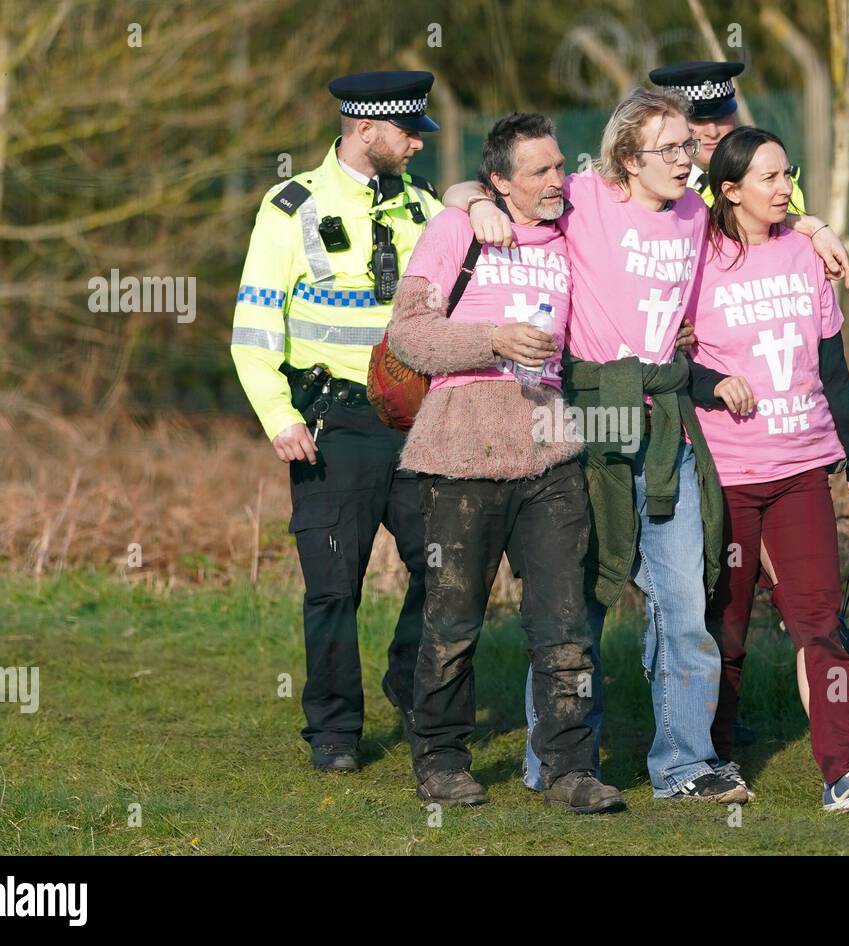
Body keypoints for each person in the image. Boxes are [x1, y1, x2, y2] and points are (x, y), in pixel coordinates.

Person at [445, 89, 751, 802]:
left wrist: (818, 226)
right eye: (670, 149)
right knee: (574, 607)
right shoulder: (583, 196)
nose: (687, 160)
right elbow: (478, 183)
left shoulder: (695, 211)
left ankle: (683, 765)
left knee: (683, 605)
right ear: (625, 159)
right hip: (588, 423)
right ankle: (551, 762)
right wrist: (473, 205)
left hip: (665, 426)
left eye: (689, 146)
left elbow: (770, 215)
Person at [387, 113, 624, 814]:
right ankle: (440, 760)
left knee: (564, 627)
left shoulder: (570, 229)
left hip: (551, 447)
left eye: (559, 167)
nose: (559, 181)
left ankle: (570, 770)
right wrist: (493, 338)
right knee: (453, 621)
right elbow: (408, 334)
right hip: (462, 449)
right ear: (500, 181)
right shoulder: (455, 229)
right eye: (541, 172)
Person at [230, 70, 442, 772]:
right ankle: (334, 731)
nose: (417, 142)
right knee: (332, 589)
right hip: (330, 426)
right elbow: (254, 326)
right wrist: (278, 417)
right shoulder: (290, 207)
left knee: (446, 570)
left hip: (415, 427)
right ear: (366, 131)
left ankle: (412, 687)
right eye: (407, 132)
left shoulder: (427, 209)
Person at [691, 126, 849, 812]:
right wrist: (709, 383)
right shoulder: (697, 258)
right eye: (770, 179)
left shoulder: (806, 257)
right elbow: (669, 358)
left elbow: (832, 368)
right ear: (729, 190)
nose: (785, 189)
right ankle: (711, 755)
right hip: (729, 476)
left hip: (803, 469)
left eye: (789, 175)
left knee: (820, 622)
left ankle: (848, 769)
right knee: (728, 624)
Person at [649, 60, 846, 284]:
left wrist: (811, 227)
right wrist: (809, 224)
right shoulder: (657, 187)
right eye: (698, 119)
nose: (713, 131)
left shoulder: (778, 176)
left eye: (721, 116)